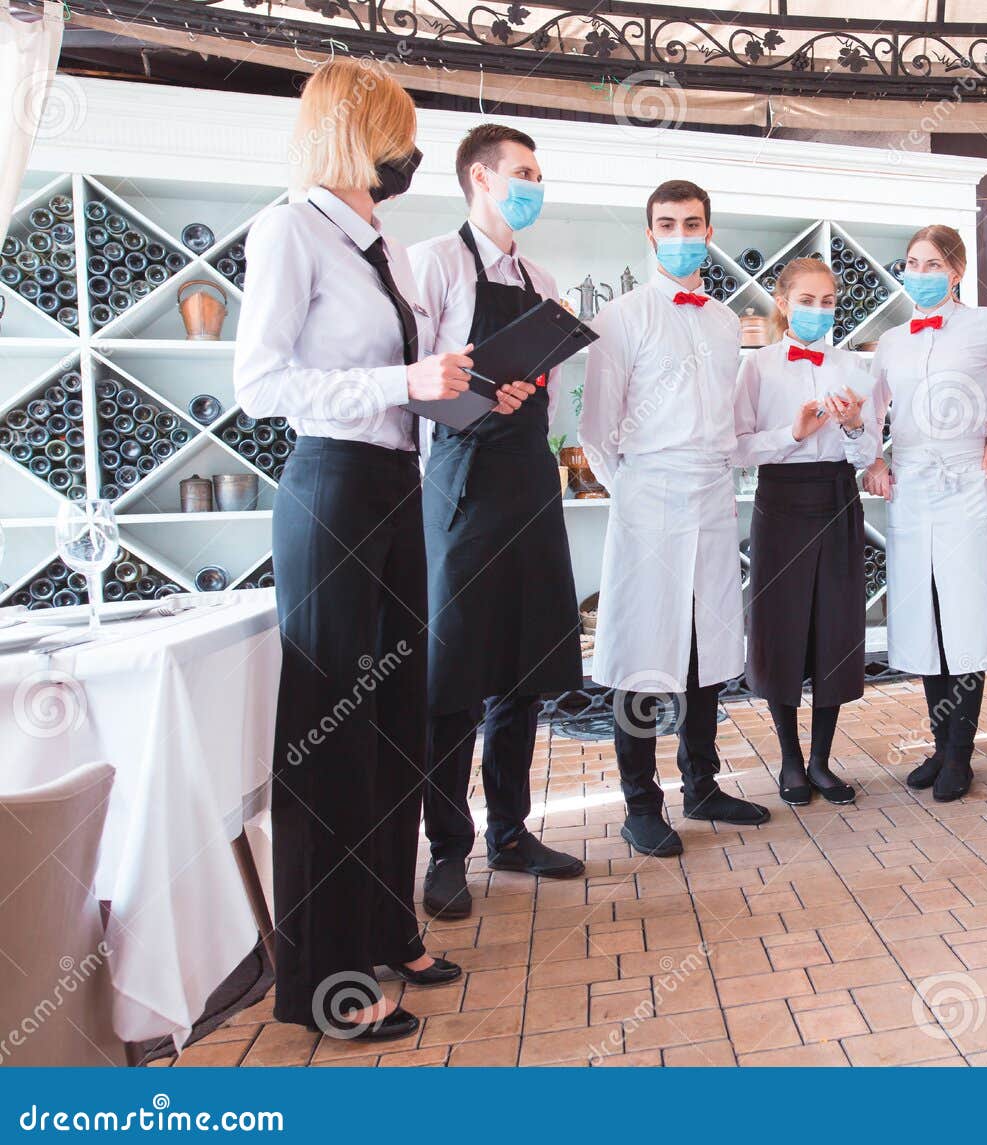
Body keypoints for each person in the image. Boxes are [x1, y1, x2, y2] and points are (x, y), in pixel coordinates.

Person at [235, 60, 465, 1041]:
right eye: (396, 134)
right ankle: (323, 981)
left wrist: (457, 390)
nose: (406, 156)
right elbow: (261, 384)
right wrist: (405, 377)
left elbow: (398, 382)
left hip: (393, 487)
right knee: (330, 738)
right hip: (329, 491)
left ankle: (386, 924)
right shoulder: (288, 229)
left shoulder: (391, 249)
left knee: (393, 722)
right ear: (354, 132)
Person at [409, 124, 585, 920]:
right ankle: (447, 850)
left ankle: (510, 832)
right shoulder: (432, 263)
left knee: (522, 666)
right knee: (454, 674)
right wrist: (481, 395)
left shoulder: (541, 278)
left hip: (529, 477)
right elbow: (409, 390)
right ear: (480, 177)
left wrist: (522, 392)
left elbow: (546, 388)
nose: (533, 185)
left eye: (538, 174)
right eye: (523, 171)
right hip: (462, 481)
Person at [579, 179, 771, 856]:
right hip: (649, 494)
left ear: (710, 231)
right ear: (650, 231)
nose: (682, 233)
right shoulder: (621, 316)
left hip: (714, 493)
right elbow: (595, 428)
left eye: (694, 222)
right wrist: (630, 492)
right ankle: (639, 803)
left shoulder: (724, 321)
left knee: (702, 649)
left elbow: (728, 420)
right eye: (668, 222)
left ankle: (703, 784)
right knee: (641, 652)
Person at [864, 226, 987, 802]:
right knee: (924, 615)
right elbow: (871, 412)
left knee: (964, 615)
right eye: (910, 263)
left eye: (932, 264)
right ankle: (938, 745)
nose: (920, 274)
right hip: (911, 491)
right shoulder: (893, 342)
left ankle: (961, 754)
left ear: (955, 271)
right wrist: (873, 458)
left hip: (966, 485)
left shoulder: (986, 326)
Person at [733, 257, 876, 806]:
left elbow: (869, 456)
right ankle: (790, 761)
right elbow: (739, 448)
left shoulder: (856, 369)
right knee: (781, 628)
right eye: (808, 300)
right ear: (784, 302)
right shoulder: (757, 368)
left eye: (828, 301)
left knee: (835, 628)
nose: (819, 311)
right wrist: (791, 434)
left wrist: (855, 425)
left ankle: (821, 762)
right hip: (781, 499)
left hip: (839, 497)